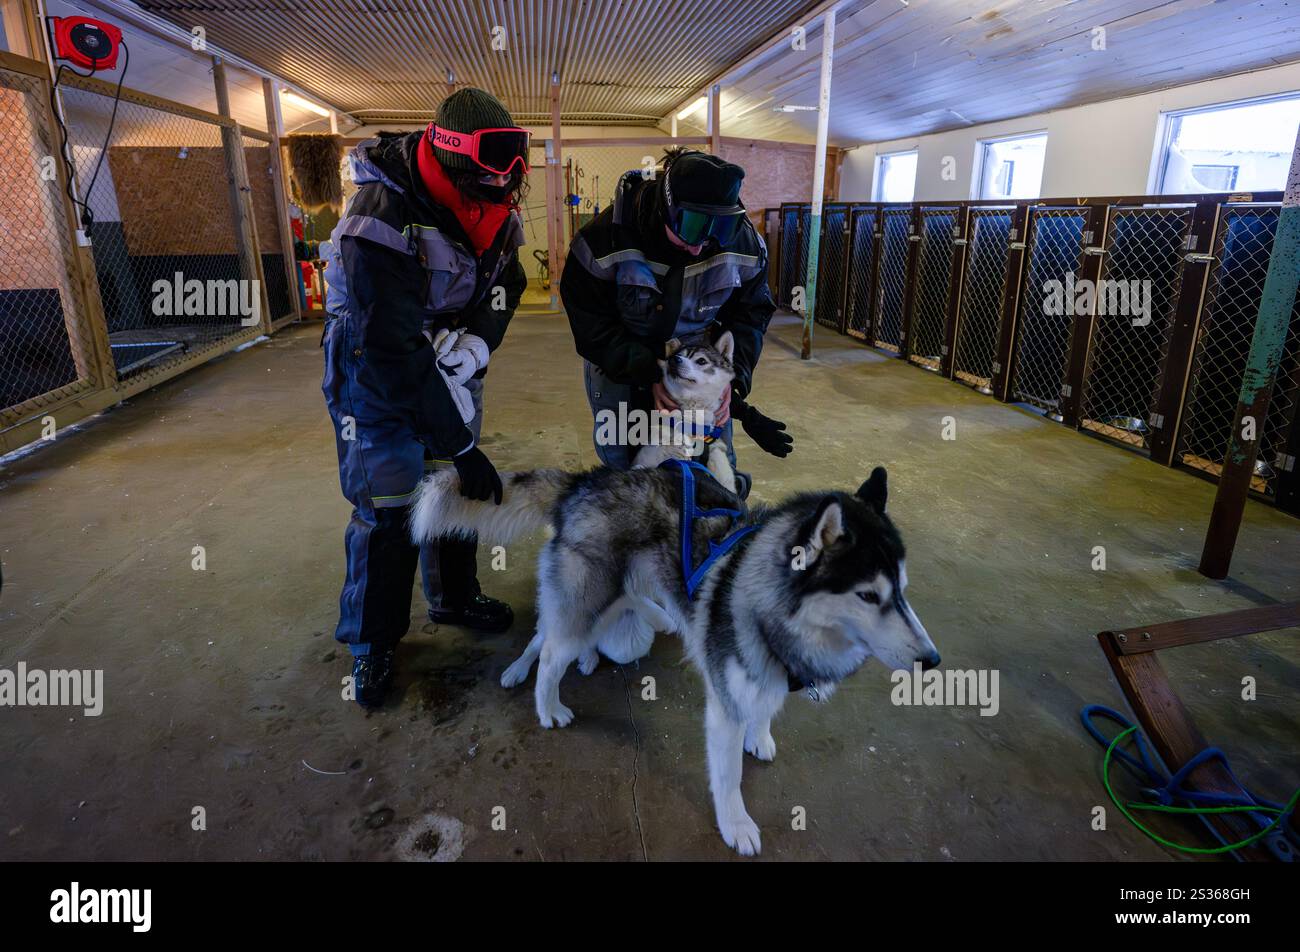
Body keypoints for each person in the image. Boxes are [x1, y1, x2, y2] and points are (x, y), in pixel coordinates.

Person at [321, 88, 529, 708]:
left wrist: (477, 346)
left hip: (448, 355)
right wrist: (460, 443)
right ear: (451, 166)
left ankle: (455, 597)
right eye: (484, 194)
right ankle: (373, 642)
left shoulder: (495, 197)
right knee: (390, 504)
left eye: (506, 194)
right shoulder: (378, 220)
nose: (498, 205)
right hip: (374, 367)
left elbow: (507, 281)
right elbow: (388, 351)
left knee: (451, 494)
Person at [560, 149, 792, 494]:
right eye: (692, 225)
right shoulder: (602, 240)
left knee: (713, 467)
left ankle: (704, 535)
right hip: (624, 360)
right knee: (631, 477)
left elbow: (750, 314)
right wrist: (653, 373)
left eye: (721, 227)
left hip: (699, 364)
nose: (700, 246)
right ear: (666, 206)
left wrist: (732, 379)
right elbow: (592, 327)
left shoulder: (743, 243)